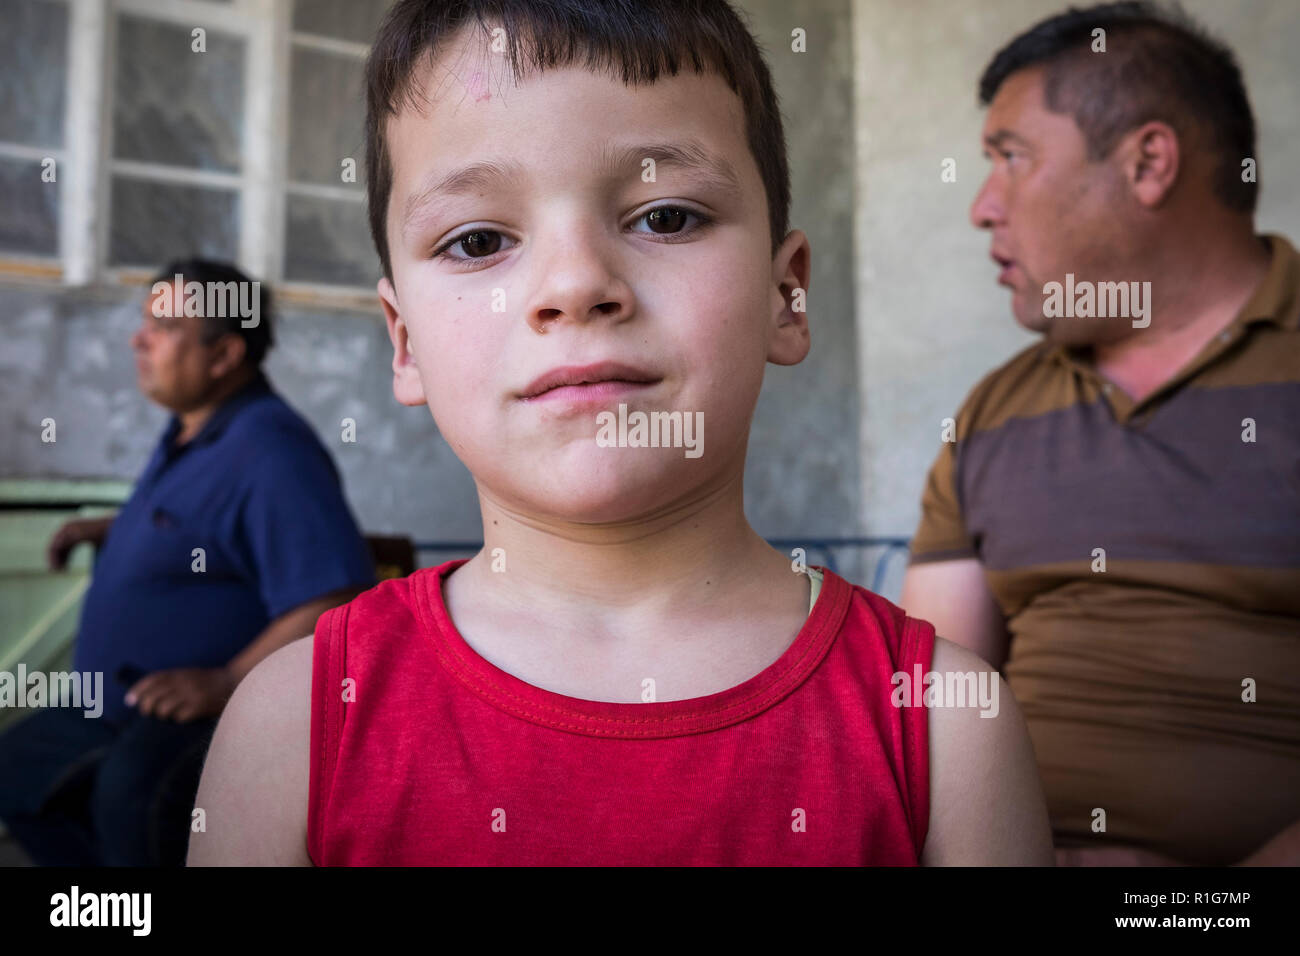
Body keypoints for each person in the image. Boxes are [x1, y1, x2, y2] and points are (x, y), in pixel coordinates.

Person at [189, 0, 1052, 866]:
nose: (575, 284)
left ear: (786, 297)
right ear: (404, 340)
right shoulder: (294, 723)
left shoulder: (944, 725)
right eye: (479, 238)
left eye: (665, 217)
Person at [899, 1, 1300, 866]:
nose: (981, 207)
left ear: (1148, 163)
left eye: (1011, 158)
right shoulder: (992, 414)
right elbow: (931, 713)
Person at [0, 259, 377, 866]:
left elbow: (335, 595)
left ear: (224, 355)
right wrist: (111, 529)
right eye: (145, 321)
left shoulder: (270, 448)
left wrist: (226, 682)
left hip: (193, 711)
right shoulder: (192, 428)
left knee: (133, 802)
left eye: (164, 326)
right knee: (19, 770)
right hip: (115, 700)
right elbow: (201, 523)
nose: (138, 339)